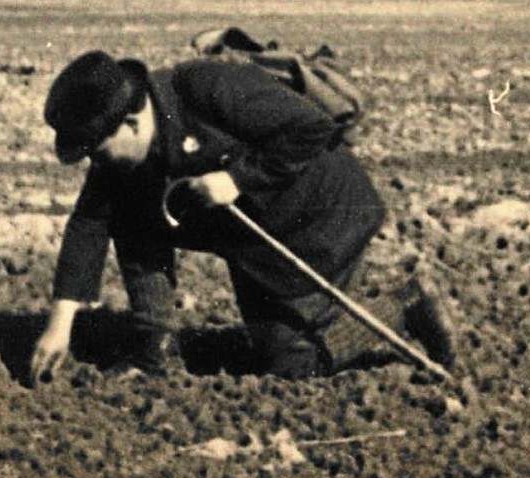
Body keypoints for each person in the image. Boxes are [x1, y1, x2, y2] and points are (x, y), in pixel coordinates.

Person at [29, 49, 453, 382]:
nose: (97, 164)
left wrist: (238, 178)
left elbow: (313, 129)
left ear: (132, 121)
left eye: (99, 151)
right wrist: (59, 324)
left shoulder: (206, 87)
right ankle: (154, 345)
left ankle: (406, 305)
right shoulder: (121, 158)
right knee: (129, 207)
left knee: (290, 363)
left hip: (316, 217)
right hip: (249, 235)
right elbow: (89, 221)